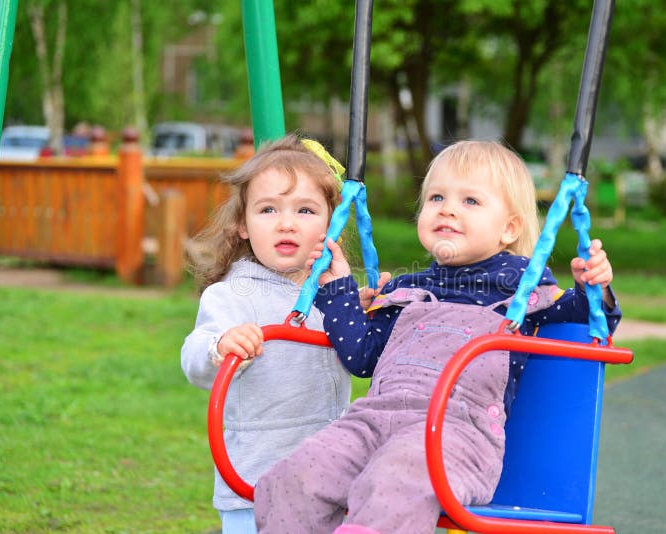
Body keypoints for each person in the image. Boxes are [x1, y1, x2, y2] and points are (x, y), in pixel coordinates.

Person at [254, 140, 621, 534]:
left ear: (509, 228)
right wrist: (340, 288)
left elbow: (587, 315)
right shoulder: (407, 289)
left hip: (455, 437)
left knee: (396, 477)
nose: (447, 208)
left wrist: (593, 285)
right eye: (436, 197)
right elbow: (362, 356)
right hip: (372, 423)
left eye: (470, 202)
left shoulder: (522, 290)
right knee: (295, 476)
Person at [181, 134, 355, 534]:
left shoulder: (332, 293)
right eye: (268, 209)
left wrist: (361, 312)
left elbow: (359, 357)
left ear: (333, 224)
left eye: (306, 210)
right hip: (255, 484)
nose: (286, 223)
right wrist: (220, 347)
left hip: (330, 482)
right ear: (242, 223)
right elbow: (193, 359)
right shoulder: (233, 295)